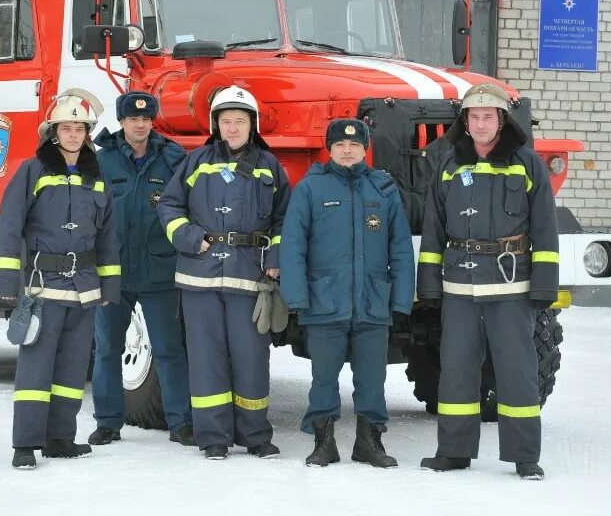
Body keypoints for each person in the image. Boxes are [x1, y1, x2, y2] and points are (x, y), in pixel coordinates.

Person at [417, 83, 558, 481]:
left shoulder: (526, 164)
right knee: (457, 370)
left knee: (518, 372)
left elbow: (545, 227)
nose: (481, 123)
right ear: (466, 121)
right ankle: (454, 452)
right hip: (460, 287)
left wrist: (544, 283)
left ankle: (524, 456)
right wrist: (429, 284)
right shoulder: (448, 165)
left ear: (501, 121)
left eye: (488, 116)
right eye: (474, 116)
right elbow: (434, 229)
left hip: (511, 286)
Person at [157, 85, 290, 460]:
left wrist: (275, 256)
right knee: (206, 357)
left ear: (253, 125)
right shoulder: (196, 161)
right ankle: (213, 437)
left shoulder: (269, 165)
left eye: (240, 121)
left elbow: (284, 217)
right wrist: (187, 237)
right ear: (216, 125)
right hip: (199, 278)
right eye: (226, 121)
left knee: (251, 356)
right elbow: (169, 205)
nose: (232, 128)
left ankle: (255, 435)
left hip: (250, 277)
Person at [0, 88, 121, 470]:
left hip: (84, 288)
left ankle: (60, 438)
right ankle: (25, 444)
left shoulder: (97, 177)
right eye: (66, 128)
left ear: (86, 133)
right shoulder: (33, 169)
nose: (73, 135)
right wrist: (5, 281)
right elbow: (9, 223)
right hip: (42, 284)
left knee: (71, 367)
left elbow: (109, 237)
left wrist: (109, 285)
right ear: (53, 131)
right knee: (36, 366)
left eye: (79, 129)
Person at [279, 119, 414, 468]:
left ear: (364, 148)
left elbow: (400, 247)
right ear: (330, 148)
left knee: (372, 378)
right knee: (324, 378)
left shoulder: (383, 189)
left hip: (372, 302)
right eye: (340, 145)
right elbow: (293, 245)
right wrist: (296, 297)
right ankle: (324, 442)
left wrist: (400, 299)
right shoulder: (311, 189)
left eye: (354, 145)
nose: (347, 150)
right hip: (325, 301)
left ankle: (369, 443)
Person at [89, 91, 195, 447]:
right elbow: (89, 213)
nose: (140, 125)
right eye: (133, 119)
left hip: (159, 271)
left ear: (153, 121)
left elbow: (187, 207)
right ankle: (107, 422)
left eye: (146, 119)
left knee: (169, 350)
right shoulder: (102, 161)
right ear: (121, 122)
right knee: (107, 349)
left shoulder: (173, 159)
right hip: (113, 273)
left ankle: (181, 423)